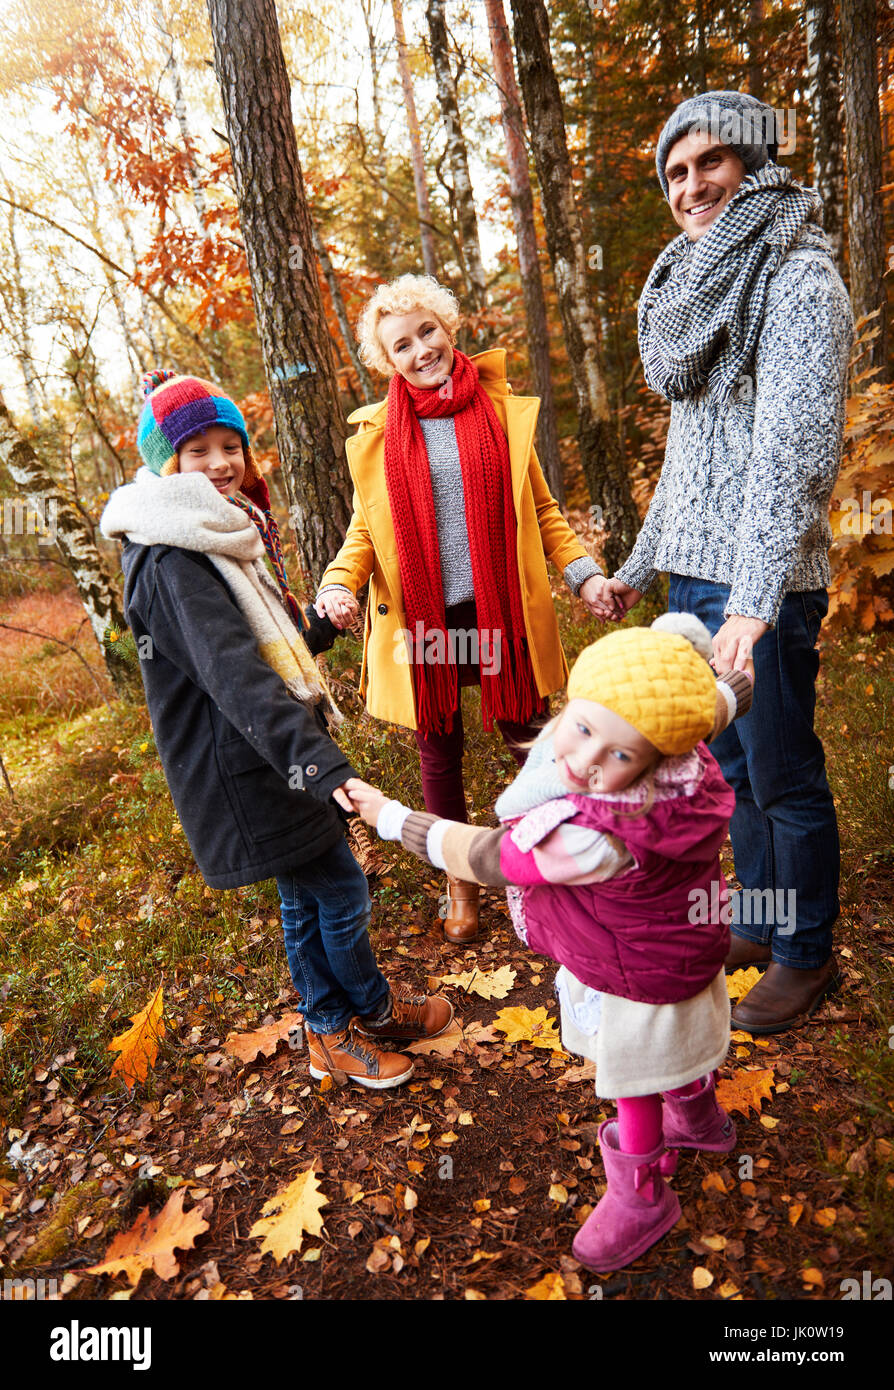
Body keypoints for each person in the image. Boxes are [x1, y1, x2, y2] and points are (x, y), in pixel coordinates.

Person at [345, 614, 755, 1271]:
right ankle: (702, 1121)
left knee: (636, 1080)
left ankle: (642, 1195)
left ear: (653, 754)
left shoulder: (593, 835)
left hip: (631, 974)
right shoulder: (687, 759)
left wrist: (391, 817)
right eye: (583, 729)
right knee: (678, 1043)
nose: (587, 761)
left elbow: (487, 856)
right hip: (683, 945)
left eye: (618, 754)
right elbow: (715, 704)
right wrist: (734, 677)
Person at [100, 369, 452, 1090]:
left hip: (267, 752)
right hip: (247, 766)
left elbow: (262, 648)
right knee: (340, 890)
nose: (221, 461)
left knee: (310, 895)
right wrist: (325, 768)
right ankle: (335, 1028)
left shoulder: (219, 534)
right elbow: (236, 678)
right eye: (197, 449)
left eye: (231, 444)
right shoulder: (170, 556)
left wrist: (315, 629)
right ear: (165, 463)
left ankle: (362, 1011)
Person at [589, 91, 854, 1034]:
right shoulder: (694, 289)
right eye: (674, 172)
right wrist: (639, 558)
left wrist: (756, 597)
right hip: (697, 580)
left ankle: (805, 951)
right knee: (734, 770)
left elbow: (796, 450)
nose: (690, 185)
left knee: (783, 774)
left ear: (753, 162)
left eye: (709, 162)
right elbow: (691, 465)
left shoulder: (796, 278)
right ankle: (760, 918)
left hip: (763, 583)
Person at [315, 273, 612, 944]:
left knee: (532, 738)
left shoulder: (502, 413)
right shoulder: (376, 436)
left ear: (450, 328)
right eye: (403, 344)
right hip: (429, 620)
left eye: (428, 331)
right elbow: (365, 533)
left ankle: (557, 854)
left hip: (497, 609)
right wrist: (339, 585)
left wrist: (586, 576)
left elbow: (542, 510)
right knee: (437, 747)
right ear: (385, 362)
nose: (421, 350)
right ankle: (461, 876)